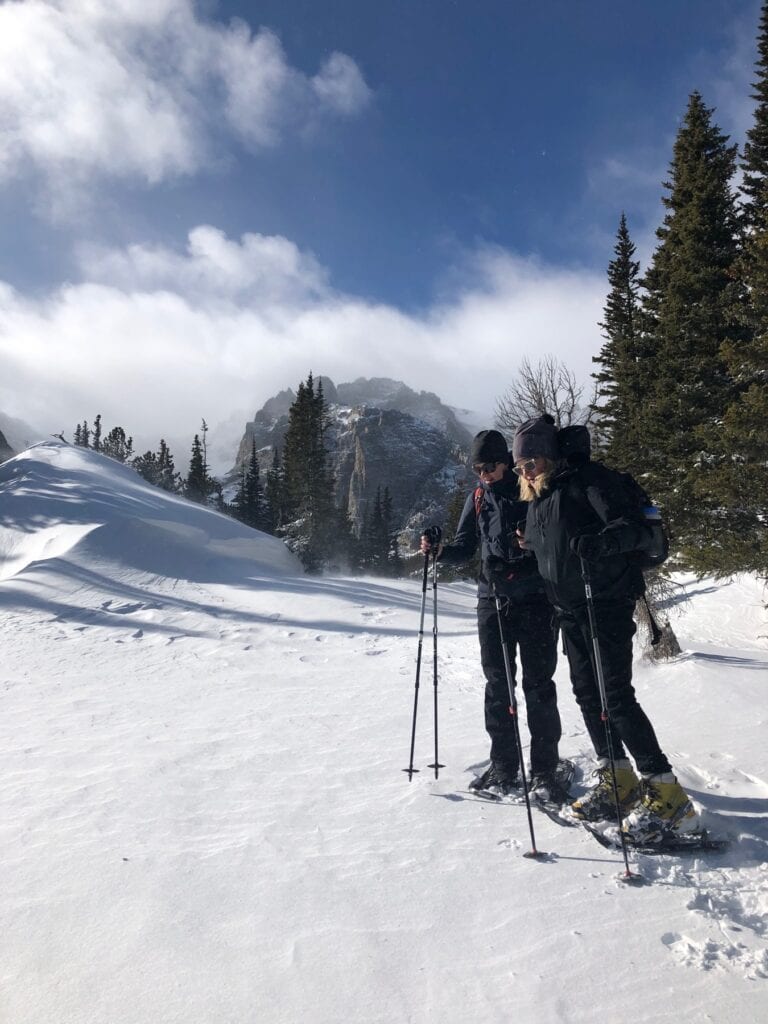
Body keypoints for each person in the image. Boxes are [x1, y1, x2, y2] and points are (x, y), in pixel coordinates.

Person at [513, 413, 699, 841]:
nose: (526, 470)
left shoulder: (588, 480)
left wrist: (601, 543)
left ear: (551, 456)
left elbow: (631, 529)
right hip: (570, 610)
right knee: (587, 694)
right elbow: (556, 547)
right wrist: (530, 543)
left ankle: (669, 798)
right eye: (521, 464)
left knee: (615, 696)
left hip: (606, 602)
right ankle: (618, 779)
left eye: (532, 461)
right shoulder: (542, 497)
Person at [420, 428, 563, 800]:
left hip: (535, 599)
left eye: (490, 467)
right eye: (477, 468)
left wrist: (531, 546)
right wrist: (437, 550)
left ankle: (546, 770)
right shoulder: (479, 497)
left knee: (538, 686)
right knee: (498, 686)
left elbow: (556, 543)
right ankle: (503, 766)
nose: (483, 474)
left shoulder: (533, 491)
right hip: (492, 600)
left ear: (507, 464)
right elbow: (465, 547)